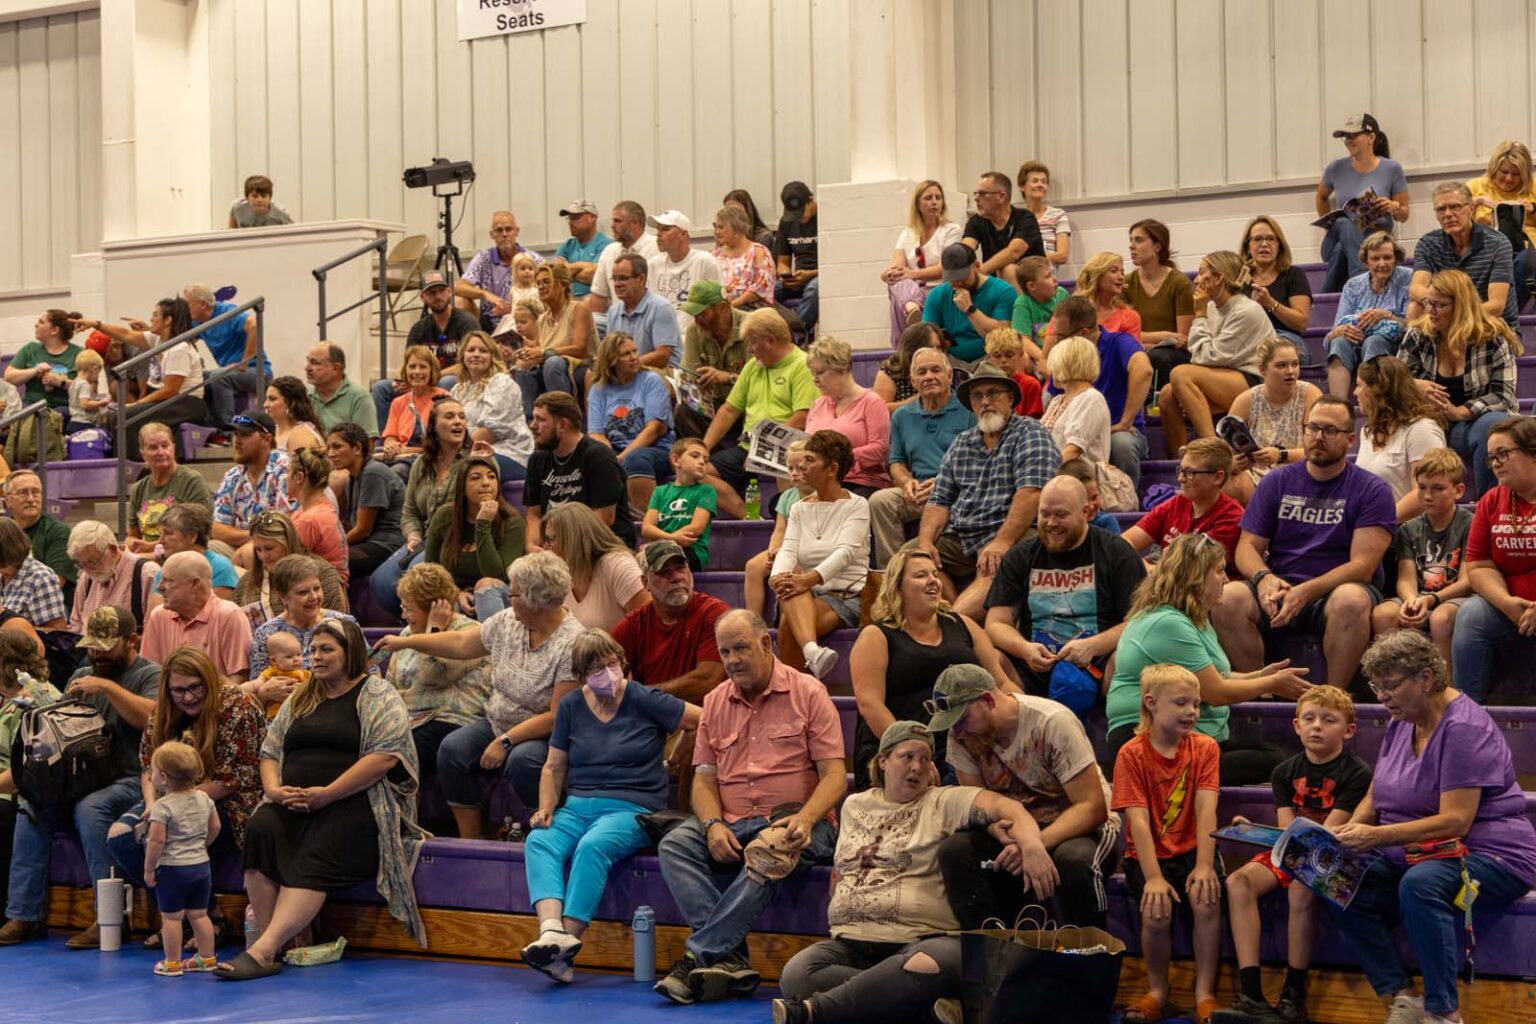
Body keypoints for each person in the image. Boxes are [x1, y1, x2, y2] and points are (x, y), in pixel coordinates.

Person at [772, 719, 1053, 1024]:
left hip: (923, 941)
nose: (917, 767)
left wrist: (1032, 844)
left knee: (925, 965)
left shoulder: (943, 801)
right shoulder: (854, 805)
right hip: (850, 943)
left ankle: (816, 1012)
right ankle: (918, 1007)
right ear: (883, 762)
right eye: (907, 757)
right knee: (797, 975)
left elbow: (1009, 809)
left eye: (925, 759)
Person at [1333, 631, 1536, 1024]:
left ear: (1426, 678)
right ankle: (1403, 997)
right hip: (1413, 849)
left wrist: (1374, 837)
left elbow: (1455, 822)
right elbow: (1377, 792)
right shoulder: (1403, 718)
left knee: (1421, 883)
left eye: (1391, 685)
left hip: (1493, 855)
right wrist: (1348, 833)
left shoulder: (1464, 728)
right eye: (1377, 686)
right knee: (1336, 877)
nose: (1382, 696)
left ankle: (1444, 1012)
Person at [653, 610, 846, 1006]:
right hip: (733, 819)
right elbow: (705, 779)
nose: (733, 660)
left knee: (767, 851)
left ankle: (698, 956)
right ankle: (731, 957)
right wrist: (710, 824)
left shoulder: (809, 692)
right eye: (725, 652)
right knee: (675, 845)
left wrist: (807, 818)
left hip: (797, 820)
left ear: (766, 644)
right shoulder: (713, 703)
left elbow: (834, 776)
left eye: (741, 648)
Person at [215, 618, 424, 980]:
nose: (316, 657)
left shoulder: (376, 693)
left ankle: (262, 950)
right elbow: (269, 751)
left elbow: (385, 756)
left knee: (320, 841)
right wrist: (274, 790)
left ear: (351, 652)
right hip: (293, 802)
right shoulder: (302, 695)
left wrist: (326, 795)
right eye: (312, 650)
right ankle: (270, 945)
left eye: (327, 649)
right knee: (261, 826)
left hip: (353, 803)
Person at [520, 629, 701, 983]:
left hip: (631, 807)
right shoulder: (572, 705)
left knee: (593, 846)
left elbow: (702, 720)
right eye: (597, 669)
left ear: (623, 663)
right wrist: (545, 807)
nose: (608, 674)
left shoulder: (645, 698)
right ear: (582, 675)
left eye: (612, 664)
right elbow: (554, 766)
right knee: (539, 841)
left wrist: (678, 756)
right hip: (576, 806)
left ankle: (566, 943)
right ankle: (551, 931)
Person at [376, 551, 583, 838]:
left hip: (545, 733)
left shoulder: (572, 642)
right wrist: (407, 642)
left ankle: (551, 833)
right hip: (499, 718)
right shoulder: (509, 620)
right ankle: (470, 840)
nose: (509, 600)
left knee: (522, 760)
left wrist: (506, 741)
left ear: (536, 601)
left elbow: (557, 715)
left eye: (513, 595)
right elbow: (462, 642)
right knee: (453, 749)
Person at [1212, 685, 1372, 1024]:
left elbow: (1326, 835)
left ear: (1349, 730)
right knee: (1238, 882)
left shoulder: (1357, 773)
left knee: (1301, 886)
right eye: (1309, 718)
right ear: (1296, 725)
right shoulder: (1283, 772)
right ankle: (1252, 993)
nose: (1316, 726)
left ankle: (1293, 994)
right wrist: (1253, 829)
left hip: (1332, 855)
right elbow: (1288, 833)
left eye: (1328, 720)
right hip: (1295, 851)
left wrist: (1279, 837)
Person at [1212, 397, 1397, 690]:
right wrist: (1264, 578)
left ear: (1350, 439)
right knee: (1227, 598)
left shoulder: (1372, 490)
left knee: (1350, 601)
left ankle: (1331, 698)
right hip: (1281, 586)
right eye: (1313, 428)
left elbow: (1362, 567)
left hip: (1335, 590)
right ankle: (1261, 693)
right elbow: (1247, 547)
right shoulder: (1277, 481)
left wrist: (1306, 591)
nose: (1318, 437)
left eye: (1330, 431)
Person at [0, 605, 158, 948]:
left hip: (134, 777)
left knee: (91, 808)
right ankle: (23, 914)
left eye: (105, 646)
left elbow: (152, 720)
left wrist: (107, 688)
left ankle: (110, 918)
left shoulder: (149, 675)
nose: (94, 654)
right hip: (82, 776)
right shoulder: (82, 673)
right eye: (91, 646)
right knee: (32, 805)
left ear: (132, 641)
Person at [1107, 532, 1312, 786]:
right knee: (1270, 761)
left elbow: (1214, 676)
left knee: (1271, 756)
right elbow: (1215, 692)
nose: (1226, 579)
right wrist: (1271, 684)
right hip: (1146, 739)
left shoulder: (1194, 619)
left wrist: (1260, 675)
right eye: (1219, 571)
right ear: (1195, 577)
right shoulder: (1167, 622)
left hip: (1186, 737)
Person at [928, 662, 1117, 930]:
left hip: (1078, 825)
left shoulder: (1051, 722)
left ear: (988, 699)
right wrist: (1003, 833)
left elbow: (1092, 807)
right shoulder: (962, 736)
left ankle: (1088, 961)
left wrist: (1033, 844)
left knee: (1073, 861)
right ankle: (992, 956)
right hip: (1017, 829)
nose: (957, 731)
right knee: (955, 852)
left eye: (961, 720)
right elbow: (977, 804)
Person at [105, 646, 265, 946]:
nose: (189, 697)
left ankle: (197, 919)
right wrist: (153, 805)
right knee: (121, 838)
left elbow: (236, 778)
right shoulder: (162, 712)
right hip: (167, 799)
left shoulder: (239, 707)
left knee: (174, 836)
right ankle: (190, 914)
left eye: (195, 688)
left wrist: (173, 808)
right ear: (167, 689)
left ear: (209, 681)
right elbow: (148, 766)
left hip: (226, 800)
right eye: (179, 690)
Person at [1112, 665, 1224, 1024]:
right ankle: (1158, 990)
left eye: (1196, 704)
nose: (1192, 712)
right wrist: (1154, 878)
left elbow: (1207, 810)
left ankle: (1205, 993)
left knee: (1206, 901)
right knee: (1155, 912)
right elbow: (1139, 822)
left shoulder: (1205, 748)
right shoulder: (1131, 754)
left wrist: (1205, 865)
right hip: (1148, 856)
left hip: (1194, 849)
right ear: (1151, 703)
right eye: (1181, 703)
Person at [848, 549, 1011, 784]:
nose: (933, 580)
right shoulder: (876, 635)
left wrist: (1027, 715)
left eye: (935, 574)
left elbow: (1002, 683)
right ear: (898, 586)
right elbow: (869, 704)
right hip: (899, 750)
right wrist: (916, 755)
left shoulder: (963, 624)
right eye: (921, 575)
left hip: (967, 745)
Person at [917, 365, 1059, 620]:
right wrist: (926, 542)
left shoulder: (1031, 433)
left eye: (993, 393)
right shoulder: (961, 443)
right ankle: (953, 622)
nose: (985, 401)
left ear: (1010, 399)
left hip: (1016, 531)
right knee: (913, 559)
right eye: (977, 396)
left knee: (995, 563)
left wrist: (1002, 541)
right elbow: (939, 501)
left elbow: (1031, 494)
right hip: (962, 534)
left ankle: (951, 625)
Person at [984, 475, 1145, 694]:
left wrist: (1092, 646)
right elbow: (995, 624)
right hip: (1034, 665)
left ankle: (1121, 725)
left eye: (1061, 515)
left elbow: (1139, 622)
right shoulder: (1020, 556)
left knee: (1129, 657)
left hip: (1098, 662)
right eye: (1044, 514)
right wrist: (1024, 649)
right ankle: (1025, 719)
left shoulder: (1117, 552)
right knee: (990, 659)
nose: (1051, 523)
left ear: (1085, 513)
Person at [1399, 267, 1521, 497]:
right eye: (1427, 303)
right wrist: (1414, 384)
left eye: (1439, 305)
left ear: (1461, 305)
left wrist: (1461, 412)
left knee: (1493, 426)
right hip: (1430, 421)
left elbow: (1504, 395)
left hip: (1473, 422)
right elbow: (1393, 380)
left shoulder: (1491, 338)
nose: (1430, 311)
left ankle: (1489, 504)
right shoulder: (1418, 334)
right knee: (1419, 429)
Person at [769, 430, 870, 678]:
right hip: (807, 592)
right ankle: (813, 653)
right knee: (789, 585)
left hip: (846, 595)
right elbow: (788, 549)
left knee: (788, 623)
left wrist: (808, 579)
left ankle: (797, 694)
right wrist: (776, 576)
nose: (802, 465)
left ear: (832, 469)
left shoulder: (858, 505)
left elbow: (845, 553)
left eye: (810, 460)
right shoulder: (798, 507)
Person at [700, 308, 816, 519]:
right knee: (697, 471)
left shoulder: (802, 365)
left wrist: (763, 445)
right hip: (748, 446)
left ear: (770, 340)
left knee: (789, 469)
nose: (750, 349)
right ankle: (751, 518)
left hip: (785, 446)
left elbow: (802, 417)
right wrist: (703, 448)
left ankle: (788, 526)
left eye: (752, 343)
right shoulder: (753, 366)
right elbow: (729, 410)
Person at [384, 562, 491, 791]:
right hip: (411, 721)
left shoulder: (469, 633)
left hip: (452, 719)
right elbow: (391, 683)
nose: (404, 615)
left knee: (404, 750)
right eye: (403, 607)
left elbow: (434, 676)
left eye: (409, 609)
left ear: (433, 607)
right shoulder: (406, 634)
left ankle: (406, 823)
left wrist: (434, 631)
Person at [1454, 416, 1536, 701]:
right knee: (1470, 615)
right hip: (1509, 605)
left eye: (1504, 453)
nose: (1496, 463)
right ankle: (1467, 714)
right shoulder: (1492, 499)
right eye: (1491, 458)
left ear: (1533, 452)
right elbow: (1478, 564)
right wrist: (1506, 603)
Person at [869, 348, 975, 568]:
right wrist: (907, 483)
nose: (929, 376)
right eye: (922, 372)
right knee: (880, 501)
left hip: (957, 490)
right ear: (913, 380)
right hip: (918, 491)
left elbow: (977, 464)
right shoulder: (901, 416)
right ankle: (892, 574)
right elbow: (896, 462)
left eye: (935, 370)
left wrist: (943, 484)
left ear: (949, 376)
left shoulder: (969, 411)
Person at [1158, 251, 1271, 455]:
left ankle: (1213, 449)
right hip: (1226, 376)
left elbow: (1205, 356)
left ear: (1219, 278)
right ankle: (1183, 459)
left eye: (1202, 273)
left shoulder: (1245, 310)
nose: (1196, 280)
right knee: (1167, 395)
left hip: (1257, 381)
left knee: (1180, 374)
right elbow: (1203, 356)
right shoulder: (1212, 307)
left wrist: (1199, 315)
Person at [369, 398, 471, 619]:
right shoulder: (421, 463)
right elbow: (410, 512)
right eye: (450, 416)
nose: (458, 422)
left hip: (458, 540)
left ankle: (431, 630)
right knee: (381, 582)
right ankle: (415, 623)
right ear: (433, 426)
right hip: (424, 538)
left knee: (416, 573)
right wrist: (413, 534)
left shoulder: (475, 461)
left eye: (461, 417)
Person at [1372, 449, 1473, 665]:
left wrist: (1431, 599)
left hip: (1453, 598)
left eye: (1438, 488)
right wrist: (1411, 599)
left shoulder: (1470, 524)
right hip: (1421, 595)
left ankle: (1446, 687)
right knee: (1383, 614)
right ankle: (1394, 680)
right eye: (1422, 488)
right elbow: (1406, 579)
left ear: (1458, 490)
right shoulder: (1409, 529)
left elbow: (1467, 583)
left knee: (1440, 618)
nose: (1427, 496)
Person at [610, 540, 729, 701]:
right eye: (665, 572)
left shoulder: (714, 613)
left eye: (681, 569)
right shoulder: (633, 625)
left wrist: (641, 694)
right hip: (653, 721)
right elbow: (607, 681)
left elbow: (707, 681)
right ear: (645, 583)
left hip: (706, 719)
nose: (677, 578)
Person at [141, 740, 221, 976]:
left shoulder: (162, 807)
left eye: (153, 771)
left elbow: (156, 842)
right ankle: (207, 959)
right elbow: (215, 827)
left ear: (163, 778)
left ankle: (173, 962)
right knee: (200, 914)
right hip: (200, 867)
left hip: (173, 869)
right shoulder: (205, 799)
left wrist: (149, 868)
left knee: (172, 918)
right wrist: (200, 846)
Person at [524, 390, 638, 548]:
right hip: (558, 548)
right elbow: (534, 514)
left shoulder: (598, 457)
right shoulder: (537, 460)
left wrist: (559, 548)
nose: (532, 426)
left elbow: (604, 518)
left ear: (562, 425)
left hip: (603, 548)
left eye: (540, 419)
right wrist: (532, 546)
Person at [0, 632, 60, 921]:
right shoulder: (5, 696)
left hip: (18, 792)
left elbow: (30, 771)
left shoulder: (40, 699)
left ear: (6, 664)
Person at [1038, 335, 1138, 510]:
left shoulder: (1090, 398)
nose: (1050, 369)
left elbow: (1072, 451)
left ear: (1066, 363)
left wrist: (1038, 477)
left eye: (1053, 363)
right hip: (1054, 481)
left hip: (1077, 485)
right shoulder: (1057, 400)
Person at [368, 270, 475, 429]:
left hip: (455, 380)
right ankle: (384, 442)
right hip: (421, 379)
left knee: (444, 383)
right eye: (431, 293)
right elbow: (407, 362)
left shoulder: (466, 322)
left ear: (449, 291)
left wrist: (430, 377)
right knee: (381, 388)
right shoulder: (418, 329)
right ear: (423, 297)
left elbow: (467, 365)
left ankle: (428, 439)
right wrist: (403, 379)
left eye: (441, 291)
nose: (438, 296)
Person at [1316, 113, 1410, 291]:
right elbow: (1321, 197)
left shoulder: (1392, 169)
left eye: (1354, 135)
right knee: (1343, 223)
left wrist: (1393, 207)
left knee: (1339, 253)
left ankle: (1325, 302)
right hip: (1339, 235)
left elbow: (1404, 215)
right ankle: (1363, 286)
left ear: (1371, 137)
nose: (1348, 140)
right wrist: (1328, 223)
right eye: (1346, 137)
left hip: (1376, 240)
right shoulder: (1335, 168)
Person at [1222, 337, 1320, 506]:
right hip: (1254, 476)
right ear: (1262, 370)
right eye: (1281, 365)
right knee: (1229, 483)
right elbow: (1223, 451)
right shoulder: (1246, 400)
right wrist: (1233, 463)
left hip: (1296, 472)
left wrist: (1281, 455)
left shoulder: (1310, 394)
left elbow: (1317, 451)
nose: (1290, 371)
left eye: (1295, 364)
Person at [586, 330, 677, 512]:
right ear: (612, 359)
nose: (635, 357)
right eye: (626, 354)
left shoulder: (651, 381)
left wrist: (623, 457)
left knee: (635, 460)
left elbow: (655, 428)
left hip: (656, 449)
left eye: (635, 351)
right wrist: (611, 456)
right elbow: (596, 433)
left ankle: (645, 523)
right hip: (616, 451)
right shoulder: (599, 389)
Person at [425, 456, 526, 616]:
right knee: (442, 603)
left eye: (491, 477)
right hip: (458, 597)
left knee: (485, 586)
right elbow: (431, 569)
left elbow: (496, 574)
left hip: (501, 597)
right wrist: (455, 594)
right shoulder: (445, 516)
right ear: (462, 488)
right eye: (476, 478)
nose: (486, 483)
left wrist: (483, 524)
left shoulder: (512, 521)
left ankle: (494, 640)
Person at [1411, 182, 1519, 331]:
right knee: (1414, 308)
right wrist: (1442, 307)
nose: (1447, 214)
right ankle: (1418, 353)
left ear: (1471, 208)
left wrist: (1453, 312)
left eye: (1455, 207)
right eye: (1441, 209)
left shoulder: (1497, 243)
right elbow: (1416, 288)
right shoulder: (1428, 243)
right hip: (1448, 322)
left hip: (1487, 323)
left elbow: (1496, 306)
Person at [1123, 438, 1243, 569]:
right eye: (1180, 470)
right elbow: (1122, 544)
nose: (1180, 478)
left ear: (1218, 477)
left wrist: (1145, 569)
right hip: (1162, 573)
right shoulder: (1176, 504)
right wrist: (1144, 567)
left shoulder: (1231, 517)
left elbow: (1189, 570)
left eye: (1190, 473)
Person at [1355, 356, 1447, 522]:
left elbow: (1425, 493)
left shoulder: (1422, 430)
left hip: (1406, 532)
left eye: (1359, 386)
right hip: (1370, 528)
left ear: (1376, 390)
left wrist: (1379, 522)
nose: (1355, 392)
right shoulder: (1367, 432)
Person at [141, 552, 252, 683]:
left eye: (168, 581)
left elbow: (239, 680)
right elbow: (150, 677)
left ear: (195, 584)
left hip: (217, 701)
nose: (159, 587)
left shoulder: (229, 616)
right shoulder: (159, 616)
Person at [1325, 231, 1413, 397]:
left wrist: (1387, 315)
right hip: (1355, 341)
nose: (1382, 263)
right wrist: (1341, 331)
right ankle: (1339, 405)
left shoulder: (1409, 278)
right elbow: (1334, 330)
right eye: (1375, 258)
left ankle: (1375, 403)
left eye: (1387, 257)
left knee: (1373, 341)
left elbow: (1414, 326)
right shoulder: (1353, 285)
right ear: (1366, 261)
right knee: (1338, 343)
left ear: (1396, 258)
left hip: (1395, 344)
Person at [232, 510, 349, 633]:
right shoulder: (246, 584)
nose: (263, 556)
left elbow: (341, 628)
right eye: (258, 550)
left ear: (288, 542)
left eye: (269, 548)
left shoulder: (323, 574)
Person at [804, 336, 891, 496]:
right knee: (782, 502)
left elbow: (880, 448)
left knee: (836, 502)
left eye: (820, 372)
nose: (815, 379)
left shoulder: (871, 402)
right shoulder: (817, 404)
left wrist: (838, 457)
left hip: (860, 481)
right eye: (813, 373)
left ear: (842, 369)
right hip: (821, 481)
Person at [247, 554, 357, 679]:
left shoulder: (344, 623)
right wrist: (267, 693)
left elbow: (370, 669)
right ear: (283, 597)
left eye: (317, 588)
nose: (314, 597)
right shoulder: (265, 633)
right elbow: (257, 685)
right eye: (303, 592)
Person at [880, 179, 961, 342]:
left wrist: (912, 274)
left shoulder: (951, 230)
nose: (934, 203)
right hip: (913, 292)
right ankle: (912, 308)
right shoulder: (907, 234)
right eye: (928, 198)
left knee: (903, 282)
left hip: (939, 290)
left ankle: (904, 341)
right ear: (917, 204)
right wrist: (886, 275)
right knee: (898, 281)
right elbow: (897, 268)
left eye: (938, 198)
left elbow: (944, 269)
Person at [210, 412, 297, 555]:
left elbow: (283, 529)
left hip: (281, 551)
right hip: (246, 548)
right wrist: (255, 537)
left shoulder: (285, 470)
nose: (237, 441)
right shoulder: (232, 476)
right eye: (235, 434)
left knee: (250, 553)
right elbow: (217, 529)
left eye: (244, 435)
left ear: (267, 440)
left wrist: (251, 543)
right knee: (210, 548)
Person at [325, 422, 405, 579]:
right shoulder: (351, 478)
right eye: (329, 448)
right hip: (370, 541)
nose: (331, 453)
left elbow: (363, 530)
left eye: (337, 447)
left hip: (387, 544)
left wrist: (332, 547)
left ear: (357, 448)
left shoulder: (372, 473)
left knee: (329, 565)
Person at [451, 331, 532, 483]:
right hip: (468, 451)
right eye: (471, 350)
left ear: (492, 356)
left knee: (458, 467)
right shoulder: (458, 389)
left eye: (483, 351)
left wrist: (451, 454)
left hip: (509, 453)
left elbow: (489, 433)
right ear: (463, 356)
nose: (476, 354)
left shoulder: (502, 383)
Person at [745, 442, 814, 618]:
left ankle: (788, 620)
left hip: (809, 553)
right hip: (787, 550)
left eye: (800, 468)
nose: (794, 474)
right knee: (753, 566)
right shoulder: (787, 496)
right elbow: (780, 529)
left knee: (787, 572)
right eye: (790, 469)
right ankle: (754, 622)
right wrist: (773, 550)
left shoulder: (821, 495)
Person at [184, 283, 265, 433]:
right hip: (230, 372)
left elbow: (254, 325)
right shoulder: (199, 322)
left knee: (218, 376)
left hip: (258, 372)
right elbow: (178, 338)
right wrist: (150, 330)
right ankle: (209, 425)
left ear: (202, 304)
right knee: (199, 379)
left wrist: (244, 362)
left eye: (188, 304)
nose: (185, 309)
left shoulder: (226, 312)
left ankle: (230, 426)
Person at [1126, 219, 1197, 388]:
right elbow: (1123, 334)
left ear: (1157, 247)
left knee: (1157, 357)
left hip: (1173, 354)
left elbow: (1182, 339)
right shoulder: (1126, 283)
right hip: (1140, 348)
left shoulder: (1179, 283)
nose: (1131, 246)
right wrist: (1162, 336)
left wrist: (1148, 341)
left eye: (1139, 240)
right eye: (1131, 240)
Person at [922, 242, 1017, 365]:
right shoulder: (937, 295)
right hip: (950, 359)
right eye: (952, 279)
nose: (957, 283)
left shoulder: (1003, 291)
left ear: (977, 266)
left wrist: (969, 309)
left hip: (991, 358)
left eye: (963, 277)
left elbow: (1001, 338)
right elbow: (927, 334)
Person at [1467, 139, 1536, 308]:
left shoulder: (1533, 187)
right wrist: (1472, 206)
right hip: (1486, 251)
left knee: (1527, 261)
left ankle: (1507, 311)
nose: (1508, 179)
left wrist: (1533, 210)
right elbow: (1456, 225)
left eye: (1516, 174)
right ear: (1494, 169)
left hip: (1527, 253)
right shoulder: (1474, 187)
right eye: (1503, 172)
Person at [126, 422, 214, 552]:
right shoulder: (138, 488)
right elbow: (133, 534)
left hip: (184, 553)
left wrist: (153, 546)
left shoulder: (192, 480)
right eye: (153, 447)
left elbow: (198, 534)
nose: (161, 452)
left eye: (165, 445)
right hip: (149, 553)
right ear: (143, 454)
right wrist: (132, 543)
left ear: (173, 447)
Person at [67, 520, 158, 634]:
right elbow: (76, 627)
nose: (89, 570)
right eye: (82, 564)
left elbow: (154, 634)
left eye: (94, 562)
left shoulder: (146, 574)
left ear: (113, 550)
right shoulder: (86, 579)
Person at [679, 280, 750, 425]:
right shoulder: (694, 331)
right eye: (694, 315)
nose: (697, 321)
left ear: (723, 308)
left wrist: (727, 377)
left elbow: (760, 385)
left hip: (746, 405)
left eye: (702, 314)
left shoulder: (751, 327)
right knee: (684, 411)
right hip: (714, 404)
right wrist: (695, 382)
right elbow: (690, 374)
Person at [641, 438, 717, 570]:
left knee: (669, 562)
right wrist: (670, 539)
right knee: (636, 563)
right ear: (676, 460)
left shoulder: (707, 491)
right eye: (695, 456)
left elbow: (697, 527)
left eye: (706, 460)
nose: (701, 462)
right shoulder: (660, 491)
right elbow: (647, 528)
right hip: (662, 547)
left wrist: (661, 544)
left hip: (691, 550)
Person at [4, 468, 76, 607]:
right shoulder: (3, 531)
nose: (31, 499)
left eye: (35, 492)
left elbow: (54, 583)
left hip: (46, 609)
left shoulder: (58, 532)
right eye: (23, 493)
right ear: (7, 500)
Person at [457, 210, 543, 327]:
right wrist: (484, 294)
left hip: (526, 321)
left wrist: (512, 309)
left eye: (508, 229)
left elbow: (552, 289)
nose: (504, 234)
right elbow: (458, 287)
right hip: (489, 320)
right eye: (499, 230)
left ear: (516, 232)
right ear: (492, 234)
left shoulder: (533, 260)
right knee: (461, 301)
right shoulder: (483, 258)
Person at [962, 171, 1044, 286]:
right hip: (997, 282)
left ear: (1001, 196)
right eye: (976, 193)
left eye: (982, 194)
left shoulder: (1025, 218)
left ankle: (1020, 305)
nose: (976, 198)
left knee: (1007, 270)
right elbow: (966, 249)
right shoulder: (976, 221)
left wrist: (978, 273)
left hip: (1033, 283)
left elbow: (1013, 252)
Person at [1240, 216, 1313, 345]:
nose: (1264, 244)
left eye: (1270, 239)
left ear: (1280, 246)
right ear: (1248, 247)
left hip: (1284, 337)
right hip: (1248, 338)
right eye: (1257, 239)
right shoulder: (1238, 276)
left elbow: (1301, 323)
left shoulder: (1294, 275)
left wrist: (1270, 303)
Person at [379, 346, 450, 475]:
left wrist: (407, 450)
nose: (417, 372)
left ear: (431, 370)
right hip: (400, 457)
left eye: (423, 367)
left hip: (428, 459)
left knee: (396, 471)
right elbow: (390, 435)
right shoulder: (398, 402)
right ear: (405, 370)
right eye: (412, 367)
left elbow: (442, 446)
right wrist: (391, 444)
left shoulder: (443, 399)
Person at [149, 503, 239, 604]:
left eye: (168, 533)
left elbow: (217, 616)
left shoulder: (220, 568)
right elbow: (153, 616)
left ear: (192, 537)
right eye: (160, 534)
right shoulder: (165, 571)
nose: (160, 541)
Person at [585, 201, 661, 321]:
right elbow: (599, 296)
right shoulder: (609, 251)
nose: (612, 226)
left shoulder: (657, 248)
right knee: (590, 321)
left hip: (650, 316)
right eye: (613, 221)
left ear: (635, 222)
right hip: (618, 318)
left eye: (618, 221)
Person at [647, 209, 721, 331]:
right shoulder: (653, 265)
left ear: (684, 235)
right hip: (659, 334)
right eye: (658, 230)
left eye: (665, 229)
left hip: (693, 334)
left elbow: (717, 306)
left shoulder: (705, 262)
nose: (658, 234)